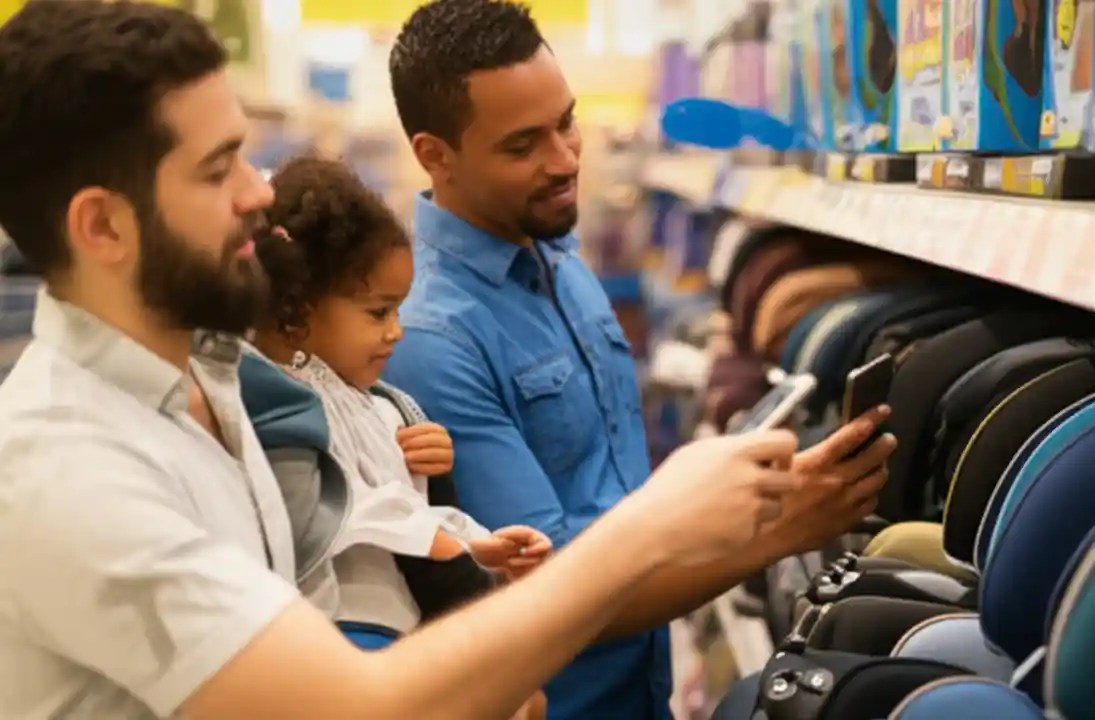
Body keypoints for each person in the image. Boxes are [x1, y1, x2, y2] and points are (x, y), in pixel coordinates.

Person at [0, 2, 889, 719]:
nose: (260, 191)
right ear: (103, 226)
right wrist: (665, 524)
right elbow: (356, 706)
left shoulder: (219, 383)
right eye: (218, 168)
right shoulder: (64, 473)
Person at [383, 1, 898, 717]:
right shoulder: (433, 340)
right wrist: (771, 535)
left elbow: (610, 491)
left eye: (566, 122)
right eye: (522, 145)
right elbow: (553, 592)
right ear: (434, 153)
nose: (564, 159)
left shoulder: (559, 259)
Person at [244, 155, 549, 718]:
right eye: (377, 312)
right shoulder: (283, 396)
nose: (395, 332)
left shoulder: (379, 402)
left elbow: (405, 499)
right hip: (340, 635)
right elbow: (337, 507)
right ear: (300, 306)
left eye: (397, 310)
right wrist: (454, 544)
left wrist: (472, 529)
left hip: (402, 629)